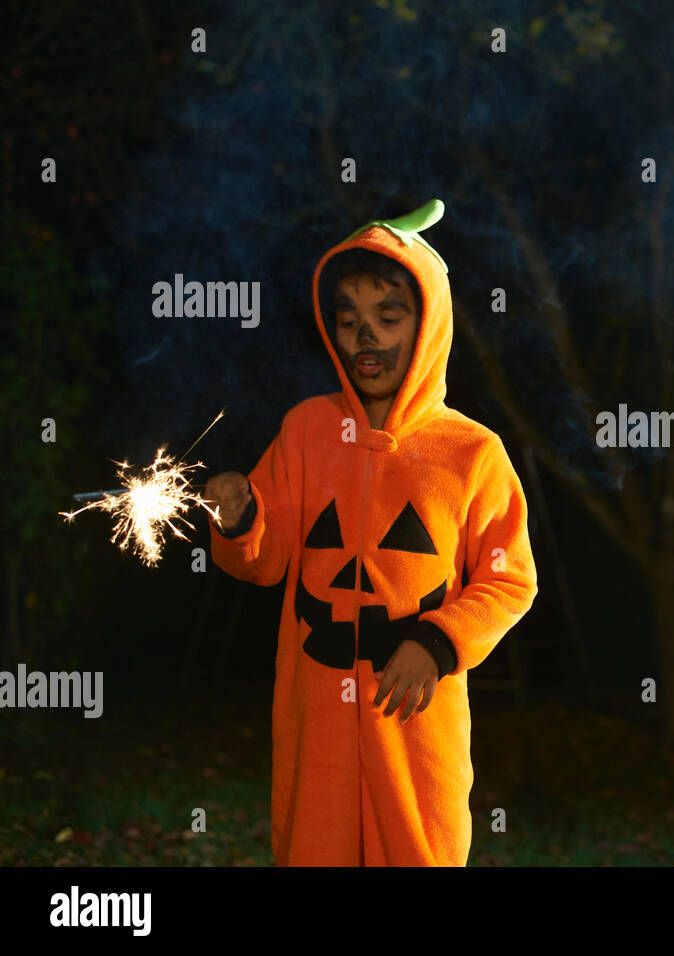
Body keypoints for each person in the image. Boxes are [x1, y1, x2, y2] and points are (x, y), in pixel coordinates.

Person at [202, 199, 538, 866]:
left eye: (389, 317)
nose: (366, 337)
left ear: (429, 325)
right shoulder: (306, 431)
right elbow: (264, 564)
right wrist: (240, 521)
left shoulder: (471, 452)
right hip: (316, 720)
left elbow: (509, 579)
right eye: (349, 319)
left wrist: (439, 641)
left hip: (415, 727)